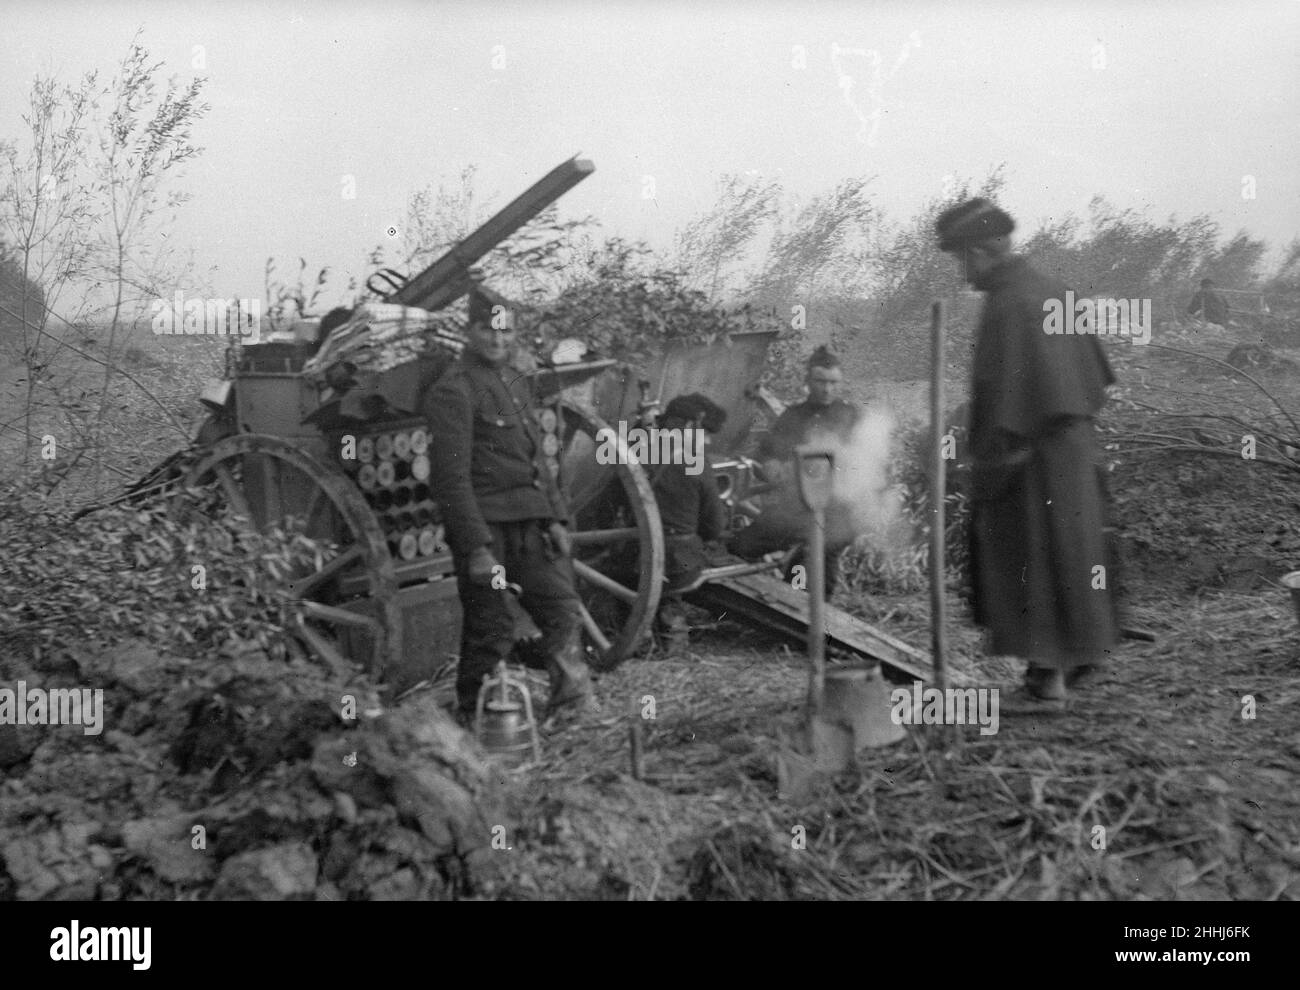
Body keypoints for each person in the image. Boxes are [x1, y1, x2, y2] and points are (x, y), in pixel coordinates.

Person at [935, 197, 1120, 709]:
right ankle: (1079, 655)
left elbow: (1004, 400)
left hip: (1030, 458)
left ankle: (1045, 682)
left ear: (978, 252)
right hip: (1074, 455)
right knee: (1075, 556)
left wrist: (984, 463)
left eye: (961, 259)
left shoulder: (1008, 304)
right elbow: (1088, 383)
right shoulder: (1054, 291)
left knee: (1030, 559)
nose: (963, 272)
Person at [422, 284, 596, 723]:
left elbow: (539, 458)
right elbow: (451, 479)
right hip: (488, 531)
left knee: (561, 607)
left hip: (530, 526)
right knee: (492, 628)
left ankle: (572, 708)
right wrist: (476, 547)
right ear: (470, 331)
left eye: (505, 332)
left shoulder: (515, 384)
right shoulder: (453, 390)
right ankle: (477, 719)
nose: (498, 341)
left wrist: (556, 518)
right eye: (487, 331)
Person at [731, 346, 859, 597]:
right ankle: (778, 603)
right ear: (808, 381)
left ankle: (817, 621)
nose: (827, 389)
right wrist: (771, 464)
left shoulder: (851, 416)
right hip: (794, 508)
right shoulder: (793, 415)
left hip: (836, 511)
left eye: (833, 382)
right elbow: (767, 453)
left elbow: (867, 465)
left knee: (821, 562)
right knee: (740, 545)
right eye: (820, 381)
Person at [649, 393, 728, 652]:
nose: (706, 442)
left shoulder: (635, 450)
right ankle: (672, 633)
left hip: (631, 555)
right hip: (679, 563)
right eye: (704, 434)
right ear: (688, 427)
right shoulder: (696, 462)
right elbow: (714, 527)